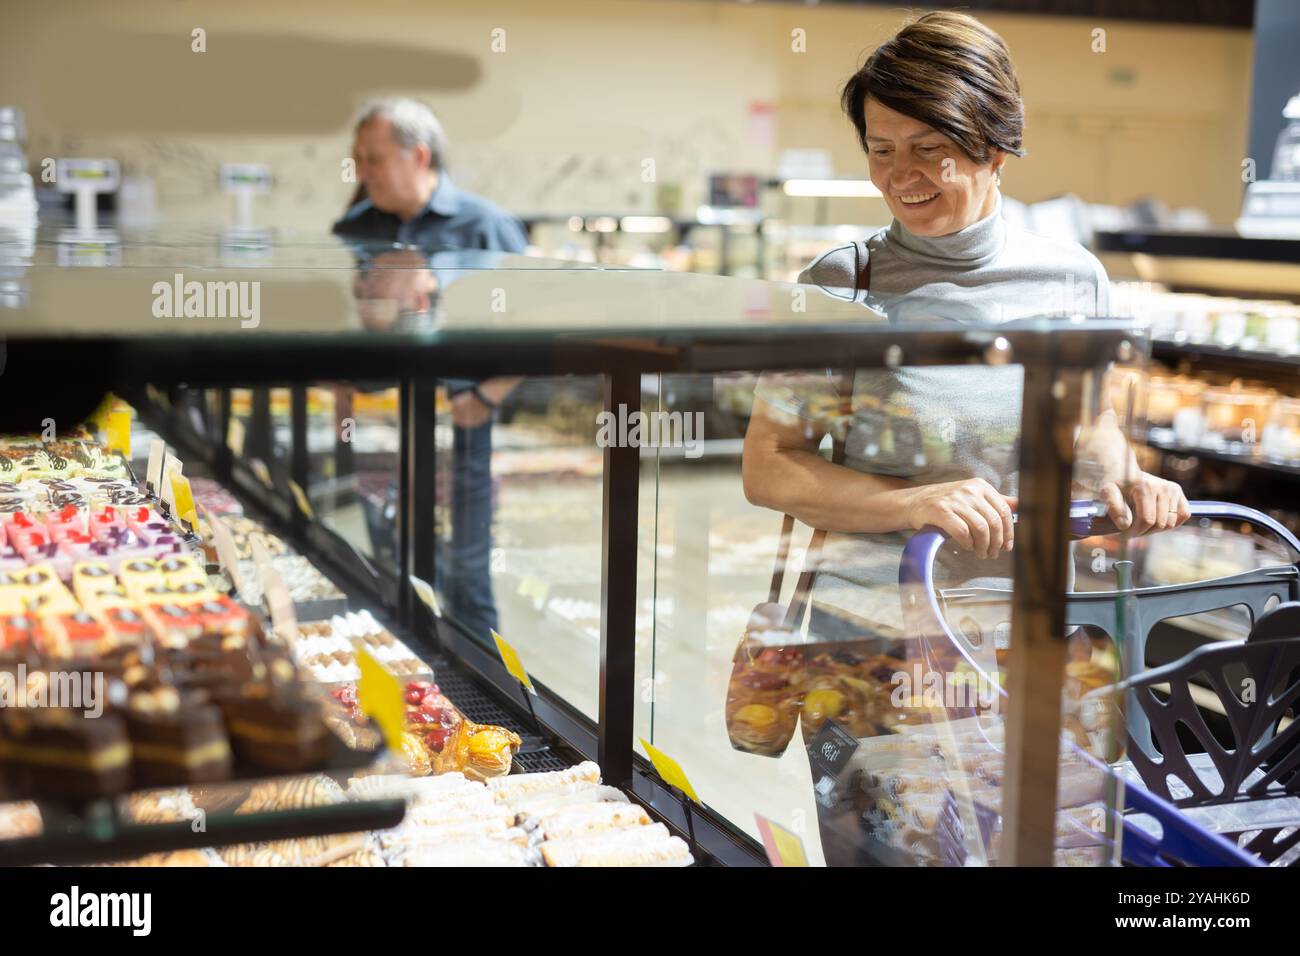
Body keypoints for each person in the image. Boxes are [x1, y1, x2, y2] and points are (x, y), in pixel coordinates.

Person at [735, 11, 1190, 865]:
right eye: (880, 148)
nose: (899, 175)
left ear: (994, 148)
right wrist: (919, 501)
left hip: (1028, 634)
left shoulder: (1071, 277)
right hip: (866, 645)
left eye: (928, 147)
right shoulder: (842, 282)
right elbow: (770, 466)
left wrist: (1128, 476)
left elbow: (1086, 419)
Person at [335, 98, 525, 641]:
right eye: (358, 160)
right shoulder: (357, 227)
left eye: (373, 160)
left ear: (418, 156)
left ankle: (491, 712)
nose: (362, 173)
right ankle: (413, 698)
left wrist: (485, 397)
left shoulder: (487, 226)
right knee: (389, 575)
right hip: (379, 434)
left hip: (462, 433)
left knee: (467, 583)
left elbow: (545, 331)